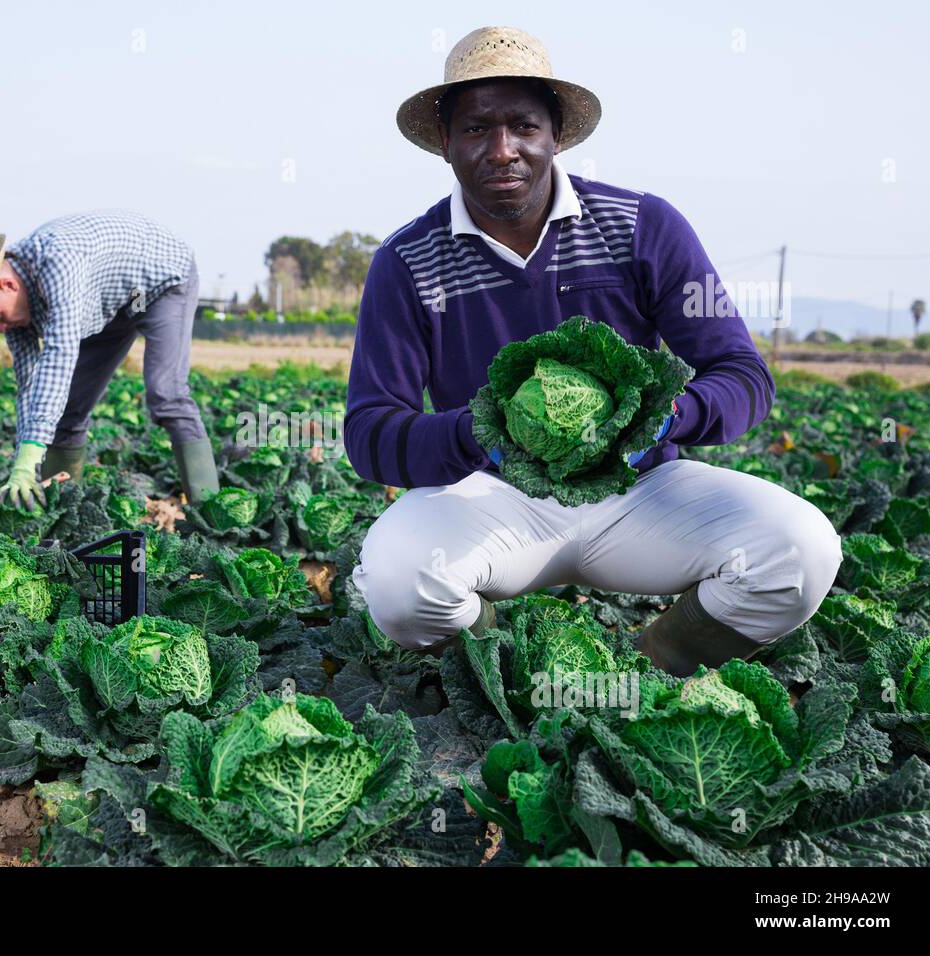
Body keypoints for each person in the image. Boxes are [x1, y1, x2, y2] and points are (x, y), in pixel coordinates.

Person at [344, 26, 842, 675]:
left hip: (643, 488)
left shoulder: (644, 226)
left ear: (556, 134)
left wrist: (668, 417)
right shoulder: (407, 261)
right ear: (445, 141)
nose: (502, 150)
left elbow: (744, 375)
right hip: (491, 496)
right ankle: (504, 659)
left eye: (523, 125)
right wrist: (480, 432)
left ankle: (658, 663)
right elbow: (371, 431)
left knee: (801, 551)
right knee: (396, 585)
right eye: (475, 129)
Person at [0, 212, 219, 511]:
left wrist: (32, 452)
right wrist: (26, 462)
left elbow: (60, 354)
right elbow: (29, 386)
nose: (1, 328)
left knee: (166, 393)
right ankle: (61, 513)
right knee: (67, 409)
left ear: (7, 285)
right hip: (110, 301)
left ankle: (210, 514)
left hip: (162, 282)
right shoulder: (15, 316)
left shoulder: (59, 262)